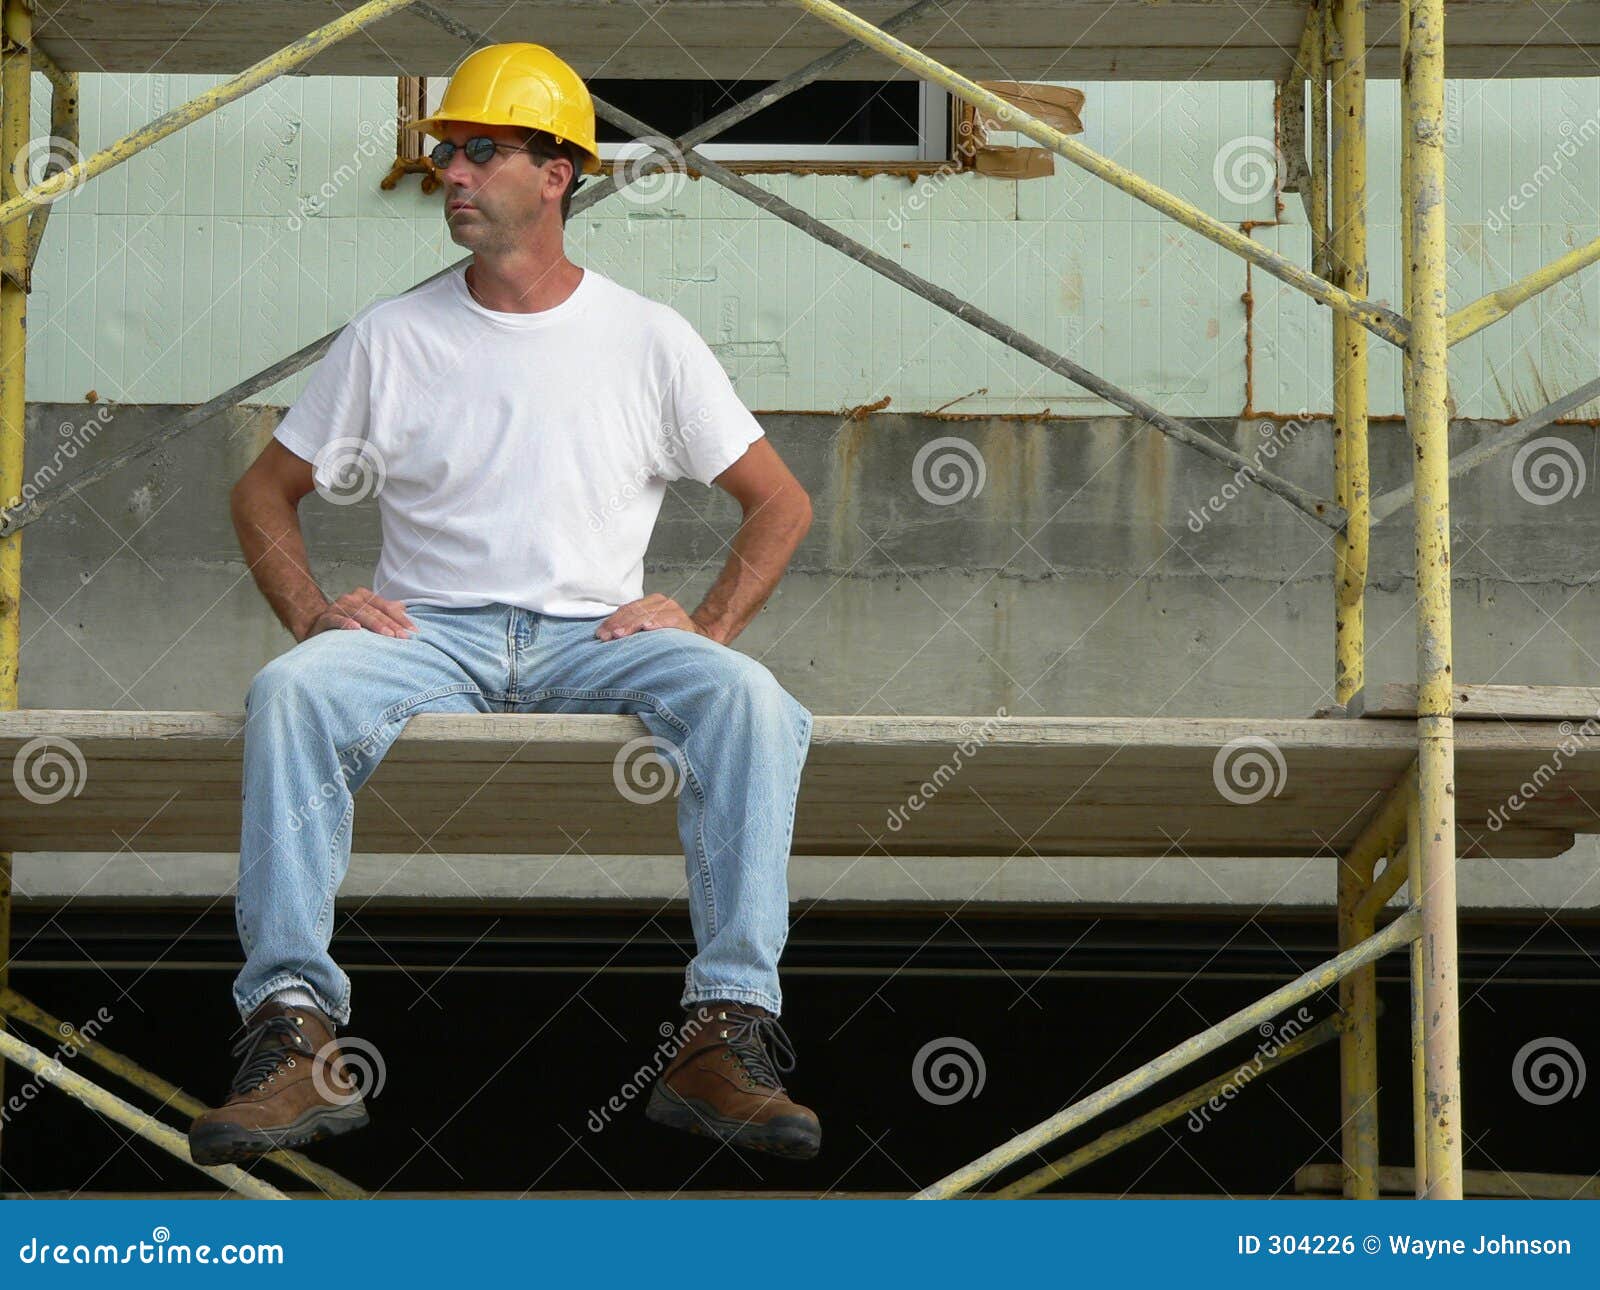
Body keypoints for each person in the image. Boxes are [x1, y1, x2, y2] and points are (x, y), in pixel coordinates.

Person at [188, 42, 821, 1168]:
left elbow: (776, 504)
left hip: (599, 636)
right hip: (427, 633)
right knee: (291, 693)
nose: (456, 175)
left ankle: (725, 1030)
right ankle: (292, 1031)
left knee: (754, 702)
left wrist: (708, 624)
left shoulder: (648, 337)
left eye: (483, 151)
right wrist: (313, 615)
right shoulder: (394, 334)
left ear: (558, 173)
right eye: (446, 155)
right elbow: (262, 492)